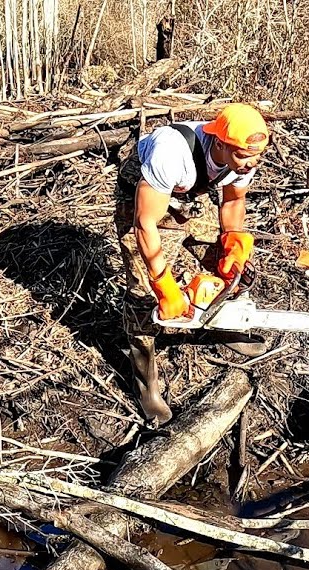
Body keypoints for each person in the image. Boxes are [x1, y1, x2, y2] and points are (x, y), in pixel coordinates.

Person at [113, 103, 271, 425]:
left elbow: (233, 200)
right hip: (143, 199)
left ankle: (223, 324)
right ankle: (145, 383)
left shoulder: (243, 159)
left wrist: (232, 242)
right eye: (244, 155)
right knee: (143, 293)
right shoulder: (172, 153)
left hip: (186, 194)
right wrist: (163, 283)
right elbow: (145, 223)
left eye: (257, 156)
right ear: (220, 143)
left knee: (226, 265)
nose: (251, 163)